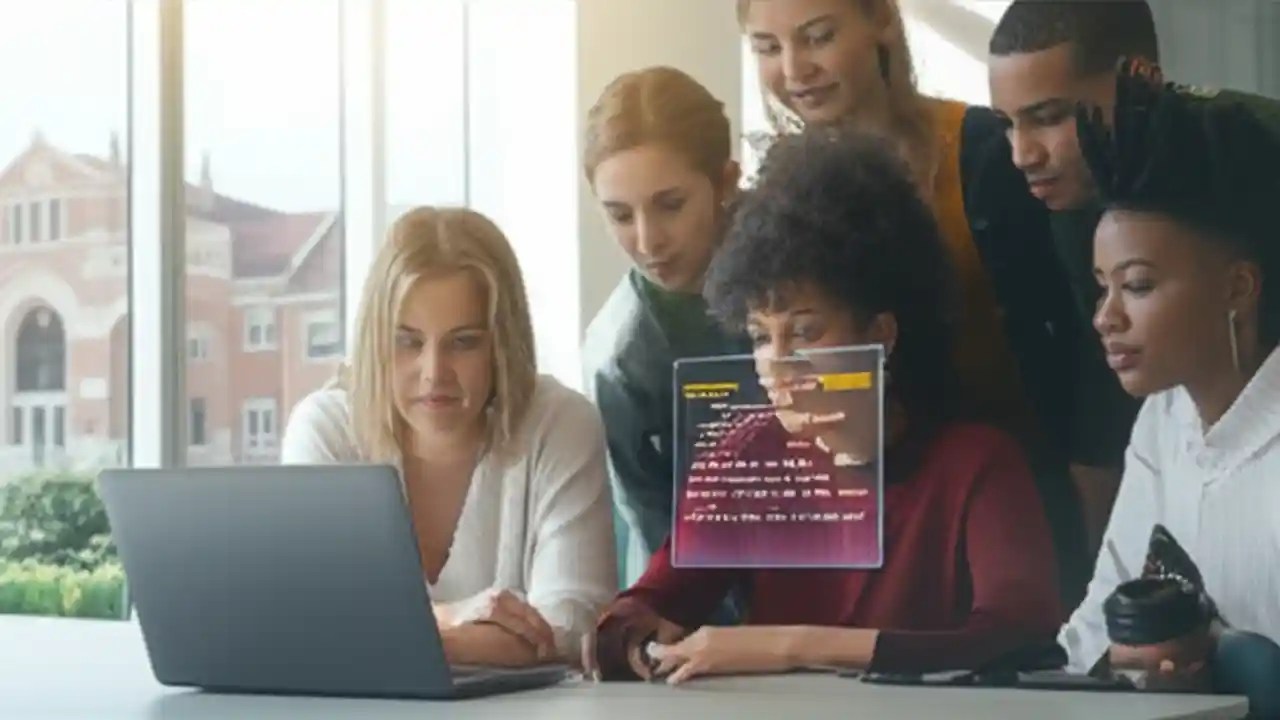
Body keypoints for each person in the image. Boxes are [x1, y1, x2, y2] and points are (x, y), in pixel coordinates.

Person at [583, 128, 1062, 684]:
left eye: (806, 332)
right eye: (761, 337)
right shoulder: (744, 457)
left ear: (881, 334)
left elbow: (1019, 636)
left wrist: (790, 645)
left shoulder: (975, 464)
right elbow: (648, 604)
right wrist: (639, 638)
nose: (777, 365)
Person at [737, 0, 1112, 604]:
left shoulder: (987, 151)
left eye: (818, 37)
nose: (794, 69)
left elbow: (1079, 349)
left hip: (1018, 497)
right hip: (862, 515)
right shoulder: (778, 181)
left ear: (881, 20)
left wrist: (1097, 532)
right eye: (766, 47)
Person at [988, 0, 1280, 545]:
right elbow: (1111, 396)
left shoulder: (1256, 154)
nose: (1022, 154)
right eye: (1007, 124)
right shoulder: (1073, 202)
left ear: (1141, 77)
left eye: (1051, 117)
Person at [281, 207, 617, 668]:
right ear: (376, 341)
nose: (433, 373)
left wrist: (404, 639)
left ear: (502, 344)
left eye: (463, 342)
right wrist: (449, 619)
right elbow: (308, 617)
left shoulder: (560, 424)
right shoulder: (326, 429)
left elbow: (574, 624)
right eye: (408, 341)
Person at [1058, 65, 1280, 717]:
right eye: (1102, 285)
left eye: (1139, 285)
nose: (1106, 316)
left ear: (1238, 288)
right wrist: (1129, 665)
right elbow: (1095, 626)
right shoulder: (1165, 417)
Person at [581, 67, 749, 582]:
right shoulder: (619, 354)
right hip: (695, 615)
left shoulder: (808, 271)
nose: (649, 242)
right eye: (621, 216)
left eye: (670, 206)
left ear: (725, 182)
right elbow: (651, 526)